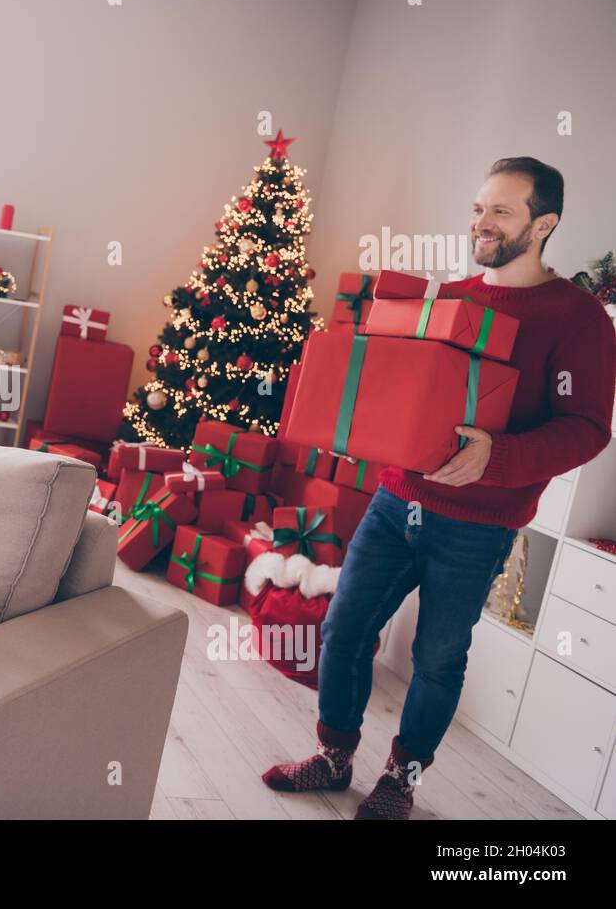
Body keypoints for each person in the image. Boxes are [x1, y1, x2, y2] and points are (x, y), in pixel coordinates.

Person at [263, 157, 616, 819]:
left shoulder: (579, 319)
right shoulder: (449, 298)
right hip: (398, 502)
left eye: (501, 211)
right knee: (342, 631)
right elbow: (404, 395)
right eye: (479, 207)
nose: (481, 223)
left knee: (437, 661)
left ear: (545, 224)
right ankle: (335, 757)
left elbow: (587, 428)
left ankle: (400, 779)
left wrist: (496, 456)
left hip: (481, 525)